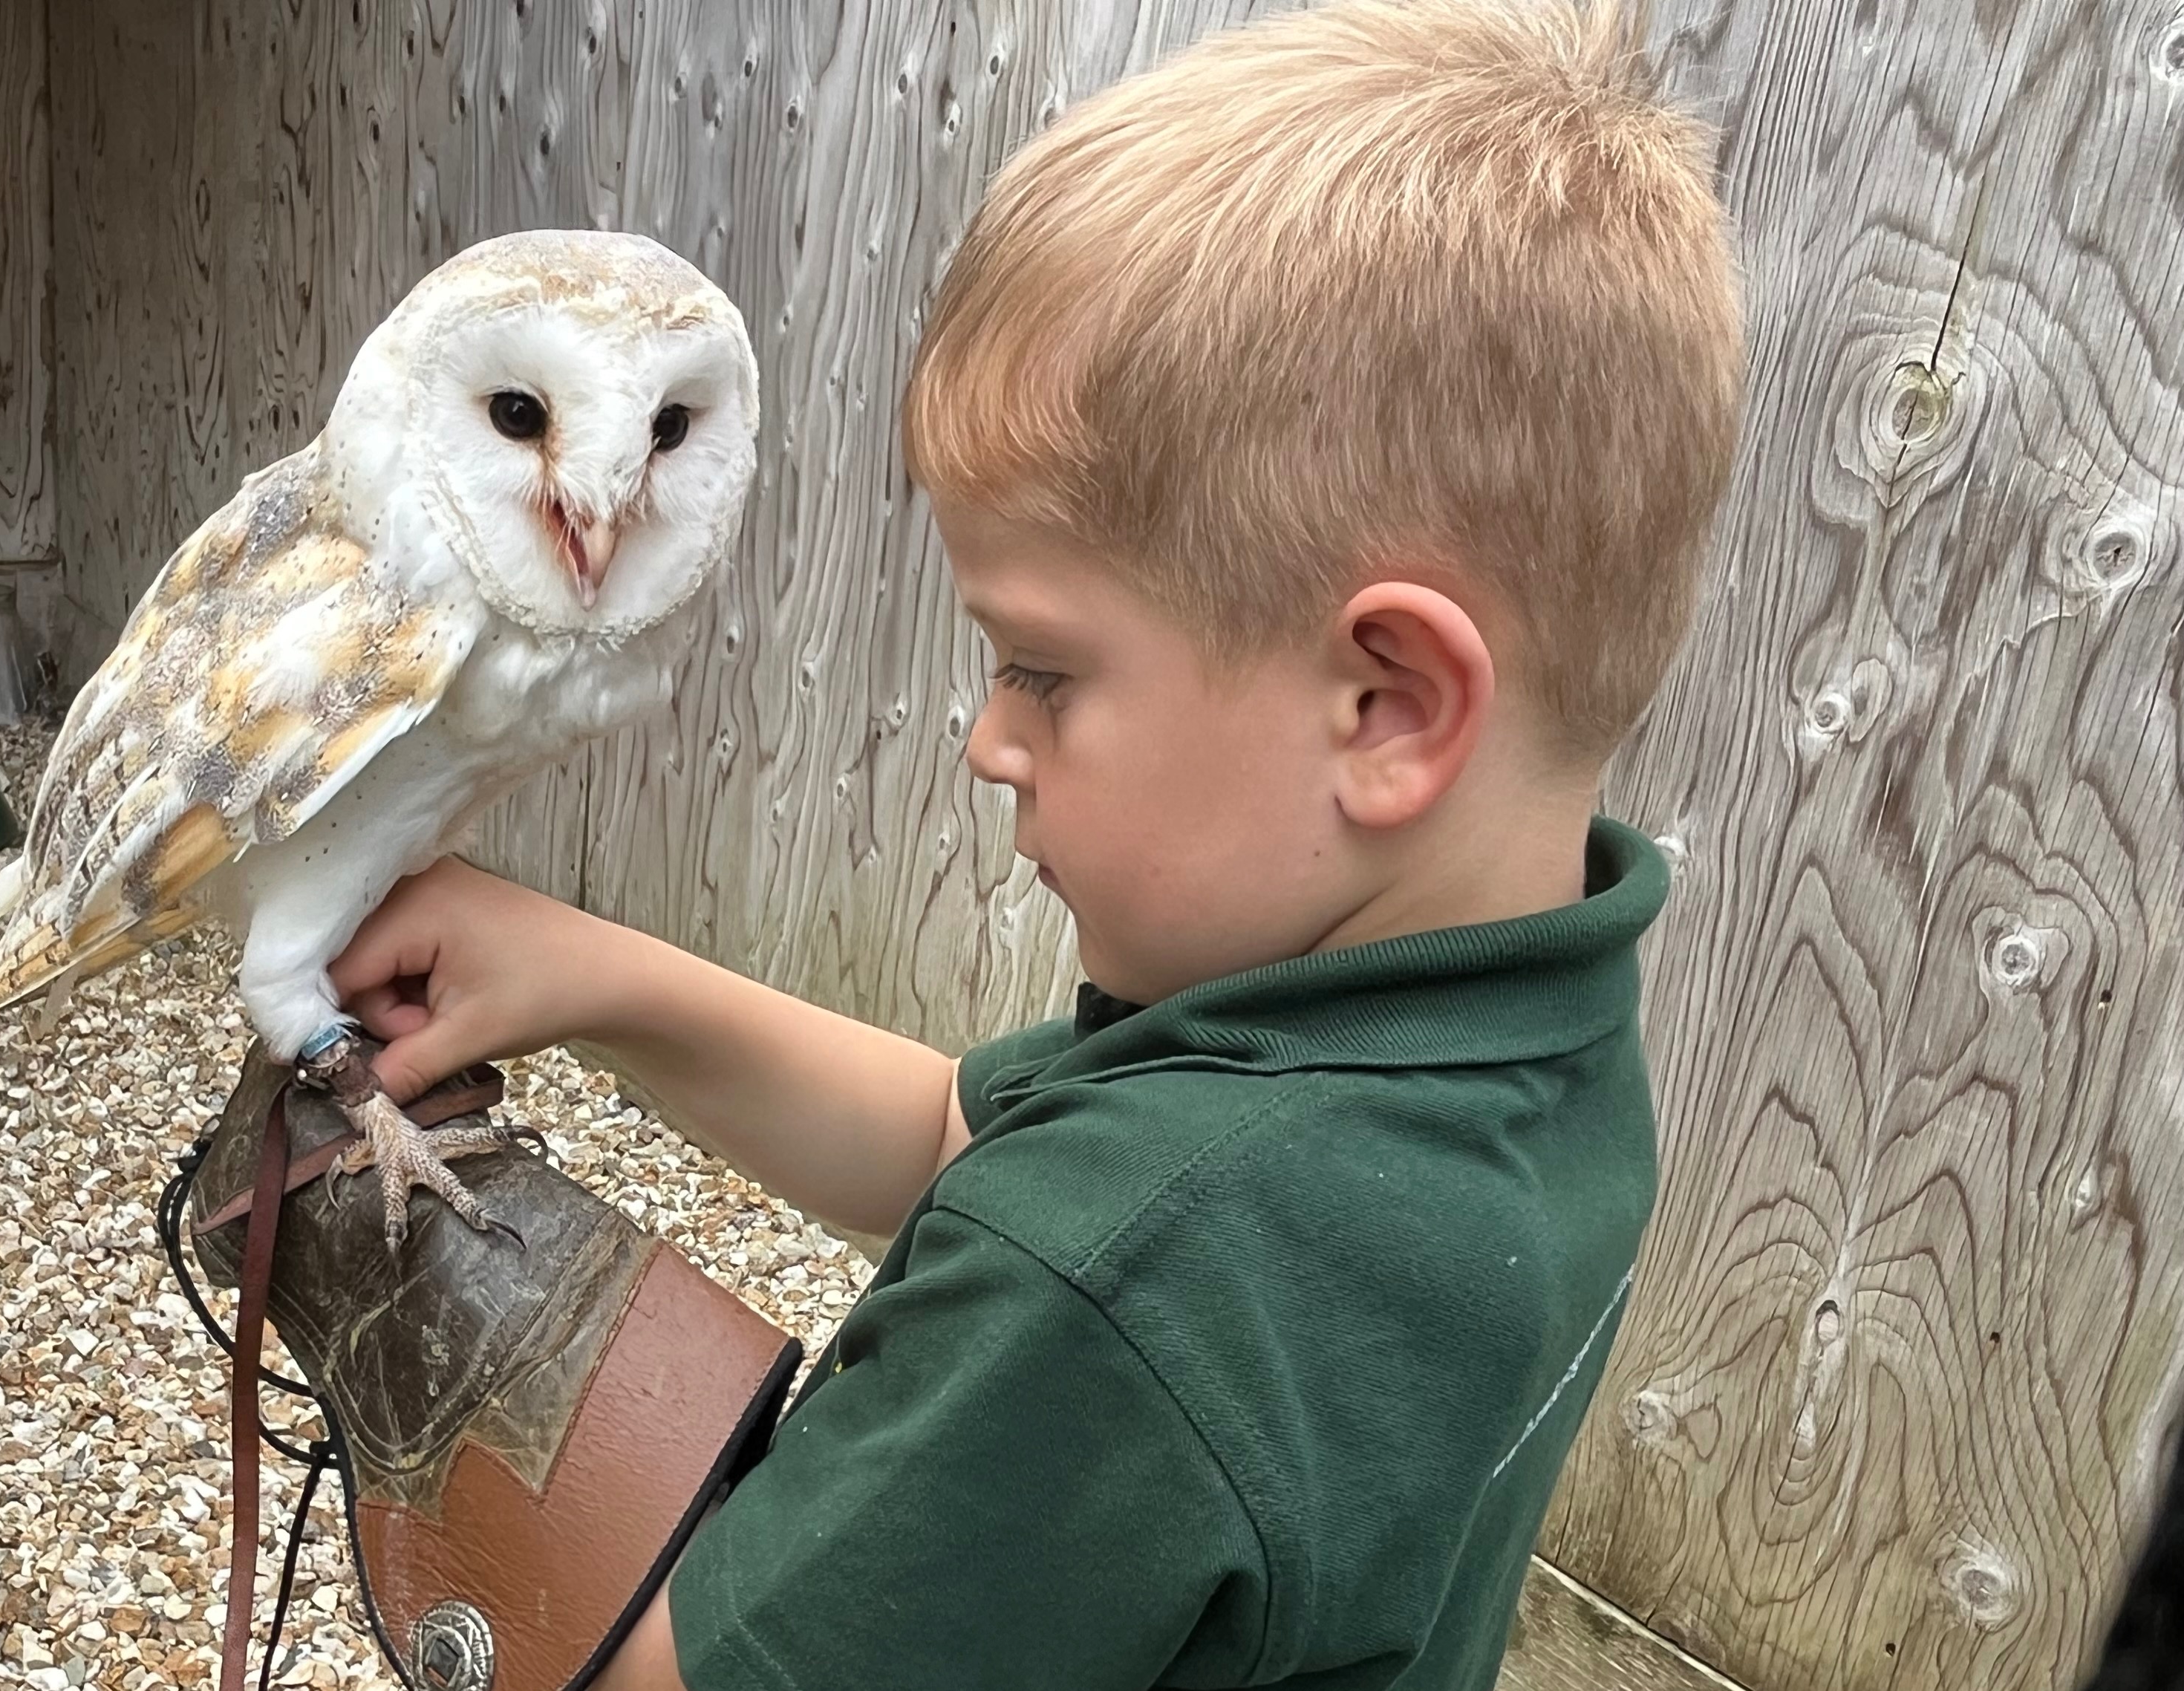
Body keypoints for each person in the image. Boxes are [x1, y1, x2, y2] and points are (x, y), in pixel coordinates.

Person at [327, 0, 1742, 1683]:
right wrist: (593, 976)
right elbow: (958, 1132)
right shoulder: (1518, 1035)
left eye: (1045, 671)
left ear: (1387, 707)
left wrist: (411, 1311)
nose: (987, 737)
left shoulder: (1138, 1272)